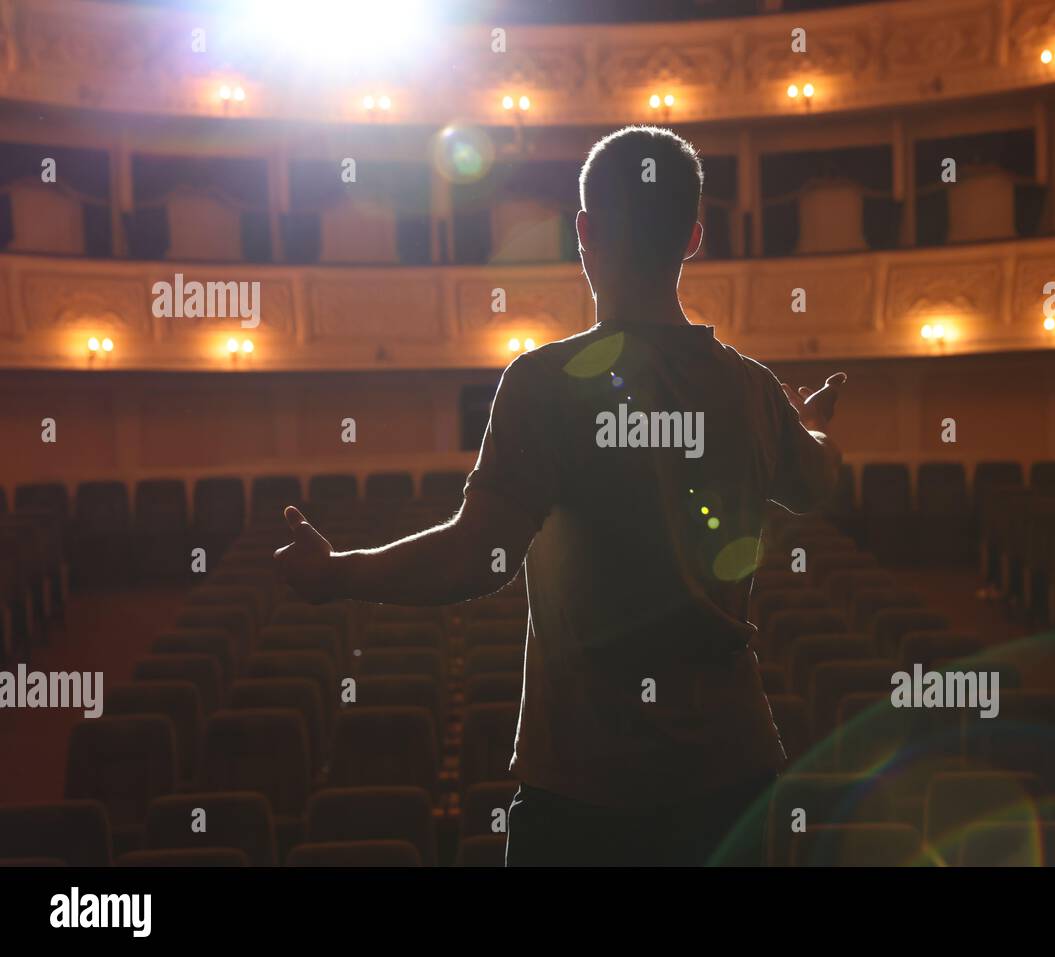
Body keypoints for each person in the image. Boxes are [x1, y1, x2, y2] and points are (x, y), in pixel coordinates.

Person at [276, 125, 847, 866]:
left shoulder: (545, 384)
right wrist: (814, 425)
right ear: (694, 236)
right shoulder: (754, 391)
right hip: (730, 775)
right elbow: (819, 482)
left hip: (584, 786)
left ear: (584, 231)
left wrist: (339, 573)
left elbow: (482, 557)